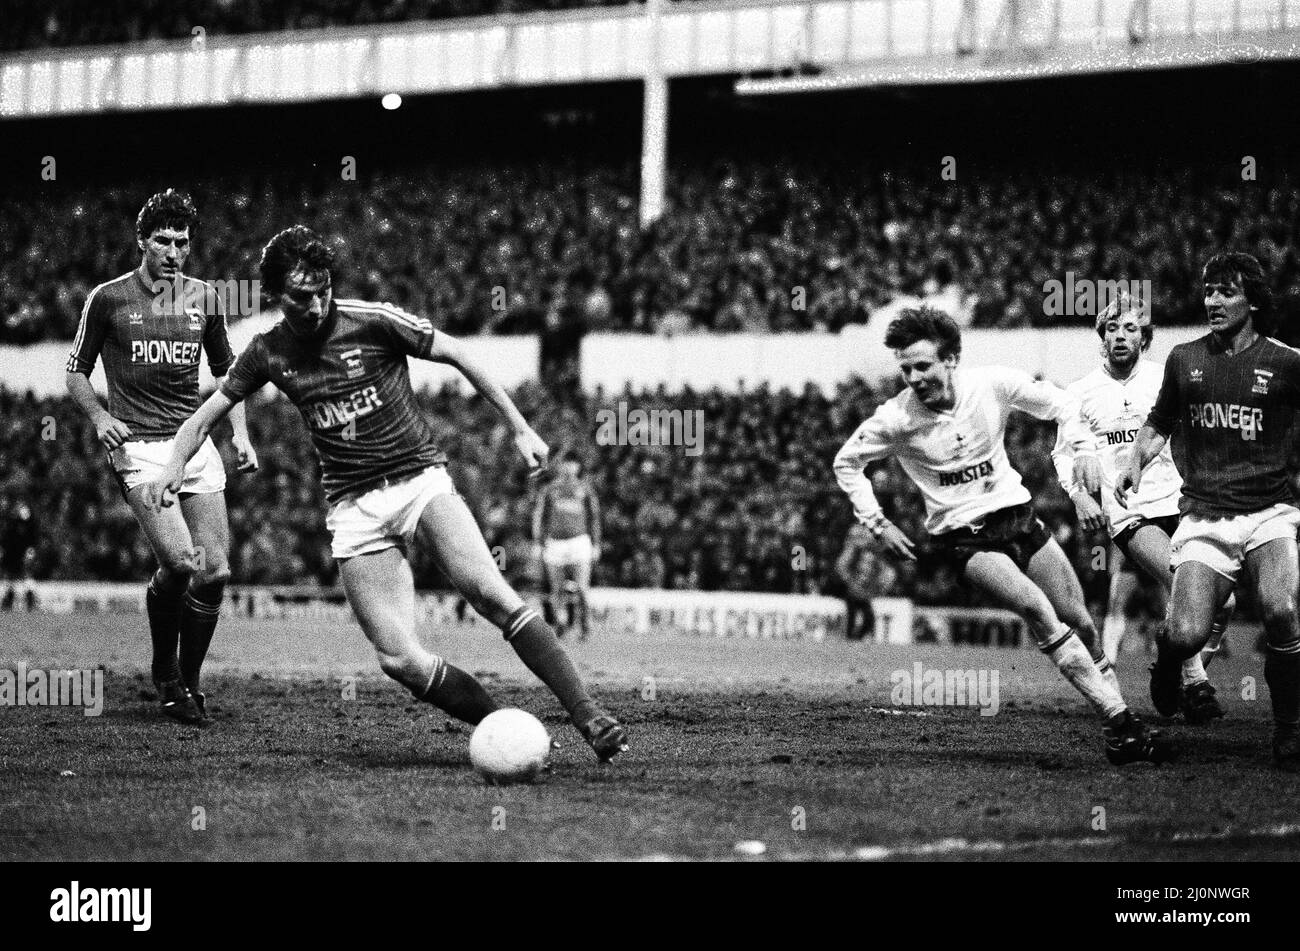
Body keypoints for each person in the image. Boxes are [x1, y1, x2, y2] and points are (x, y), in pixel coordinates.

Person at [143, 226, 627, 762]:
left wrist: (518, 427)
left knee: (492, 596)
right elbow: (205, 414)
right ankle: (505, 729)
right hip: (354, 511)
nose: (317, 304)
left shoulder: (373, 319)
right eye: (302, 296)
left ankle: (589, 715)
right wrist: (171, 467)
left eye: (324, 289)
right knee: (398, 658)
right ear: (275, 296)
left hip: (419, 482)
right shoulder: (266, 351)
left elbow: (458, 353)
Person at [834, 305, 1173, 764]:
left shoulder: (990, 384)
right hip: (963, 539)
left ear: (950, 358)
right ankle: (1121, 722)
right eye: (906, 368)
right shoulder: (895, 419)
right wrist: (878, 522)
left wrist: (1086, 449)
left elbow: (1064, 405)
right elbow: (847, 463)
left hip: (1018, 519)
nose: (913, 377)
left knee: (1082, 621)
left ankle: (1120, 720)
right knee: (1037, 608)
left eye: (922, 365)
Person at [65, 189, 258, 724]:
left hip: (194, 443)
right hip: (140, 450)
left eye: (183, 242)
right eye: (164, 242)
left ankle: (189, 682)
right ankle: (163, 671)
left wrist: (239, 434)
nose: (175, 252)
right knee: (179, 562)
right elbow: (75, 372)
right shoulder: (107, 299)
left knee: (215, 570)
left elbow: (229, 377)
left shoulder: (205, 298)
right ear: (142, 242)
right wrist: (101, 417)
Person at [1118, 252, 1300, 770]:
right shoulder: (1184, 358)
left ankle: (1289, 732)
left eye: (1225, 291)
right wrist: (1135, 461)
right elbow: (1158, 423)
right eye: (1208, 291)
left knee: (1283, 611)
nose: (1212, 301)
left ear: (1254, 301)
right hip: (1204, 516)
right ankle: (1168, 655)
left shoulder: (1286, 362)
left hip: (1271, 513)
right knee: (1188, 634)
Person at [1051, 291, 1229, 723]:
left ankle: (1173, 667)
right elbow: (1061, 454)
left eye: (1130, 328)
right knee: (1180, 580)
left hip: (1181, 502)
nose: (1120, 336)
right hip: (1129, 513)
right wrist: (1077, 495)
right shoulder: (1080, 393)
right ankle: (1195, 681)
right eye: (1112, 328)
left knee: (1223, 602)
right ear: (1101, 337)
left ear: (1145, 338)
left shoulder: (1165, 381)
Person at [532, 455, 601, 640]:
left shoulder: (585, 489)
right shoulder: (550, 489)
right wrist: (538, 542)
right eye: (567, 464)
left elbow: (594, 517)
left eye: (573, 464)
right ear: (561, 466)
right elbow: (540, 516)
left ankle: (585, 625)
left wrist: (596, 543)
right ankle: (561, 624)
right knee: (556, 589)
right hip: (555, 543)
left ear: (578, 467)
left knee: (582, 589)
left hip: (579, 542)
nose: (570, 468)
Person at [835, 523, 896, 640]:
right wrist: (849, 580)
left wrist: (879, 586)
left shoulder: (876, 556)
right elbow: (841, 565)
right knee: (852, 619)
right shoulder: (855, 551)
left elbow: (884, 573)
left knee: (868, 620)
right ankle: (850, 641)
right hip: (853, 590)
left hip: (864, 592)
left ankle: (854, 640)